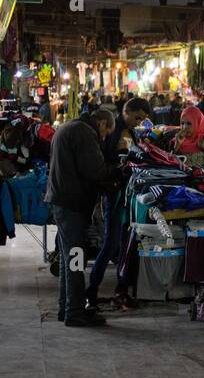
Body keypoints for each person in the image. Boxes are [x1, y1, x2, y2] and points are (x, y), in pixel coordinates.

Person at [45, 107, 116, 327]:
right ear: (102, 123)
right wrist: (114, 171)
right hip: (71, 204)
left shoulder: (70, 127)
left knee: (70, 258)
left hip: (63, 202)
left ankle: (66, 308)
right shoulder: (85, 133)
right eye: (105, 133)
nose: (103, 138)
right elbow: (95, 170)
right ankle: (74, 312)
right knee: (76, 258)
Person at [86, 97, 151, 310]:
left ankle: (121, 292)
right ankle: (91, 293)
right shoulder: (115, 131)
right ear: (127, 111)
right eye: (137, 117)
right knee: (111, 244)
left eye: (142, 119)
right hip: (114, 196)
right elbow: (109, 162)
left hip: (125, 195)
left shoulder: (129, 132)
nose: (138, 122)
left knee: (126, 243)